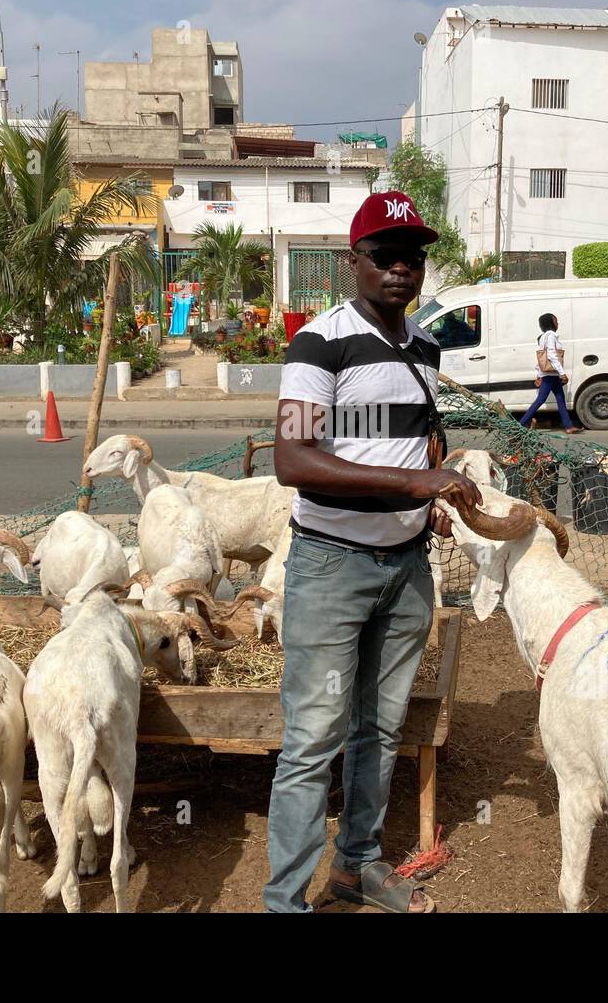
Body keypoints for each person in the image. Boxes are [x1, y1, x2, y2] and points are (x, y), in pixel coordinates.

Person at [263, 190, 482, 914]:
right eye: (384, 255)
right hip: (331, 564)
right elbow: (293, 459)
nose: (400, 269)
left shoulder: (424, 344)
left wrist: (430, 500)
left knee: (381, 728)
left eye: (412, 257)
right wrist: (411, 480)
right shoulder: (317, 343)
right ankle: (284, 900)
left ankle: (358, 866)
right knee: (313, 737)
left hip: (407, 567)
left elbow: (419, 441)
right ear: (352, 262)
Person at [519, 312, 582, 432]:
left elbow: (541, 357)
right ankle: (521, 423)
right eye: (555, 320)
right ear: (550, 322)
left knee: (560, 399)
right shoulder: (551, 336)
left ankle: (568, 426)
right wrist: (561, 372)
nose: (557, 323)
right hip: (550, 375)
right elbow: (552, 355)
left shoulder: (543, 337)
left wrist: (539, 374)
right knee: (541, 399)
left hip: (549, 374)